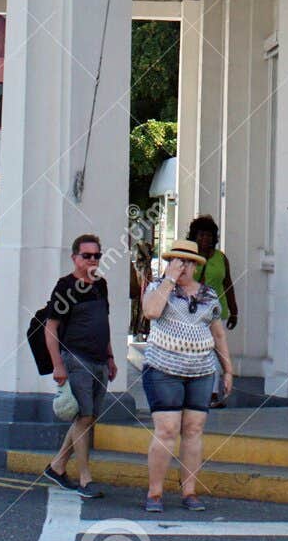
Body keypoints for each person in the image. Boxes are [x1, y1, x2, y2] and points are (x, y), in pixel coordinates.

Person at [140, 239, 234, 513]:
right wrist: (169, 280)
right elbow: (151, 312)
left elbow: (218, 333)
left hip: (201, 370)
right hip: (164, 369)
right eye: (177, 261)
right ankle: (155, 493)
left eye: (187, 262)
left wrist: (227, 369)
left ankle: (189, 491)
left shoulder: (208, 295)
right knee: (167, 429)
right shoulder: (159, 288)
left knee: (193, 430)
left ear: (195, 265)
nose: (182, 267)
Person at [42, 232, 117, 495]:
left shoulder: (101, 284)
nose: (92, 260)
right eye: (86, 256)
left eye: (97, 255)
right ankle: (85, 478)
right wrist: (58, 366)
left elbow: (103, 322)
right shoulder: (65, 286)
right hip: (76, 359)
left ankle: (57, 466)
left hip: (98, 360)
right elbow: (50, 329)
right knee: (84, 417)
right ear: (75, 258)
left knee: (88, 418)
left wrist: (110, 356)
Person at [187, 214, 238, 405]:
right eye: (200, 235)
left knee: (218, 352)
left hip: (218, 312)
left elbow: (228, 284)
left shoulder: (220, 258)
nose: (204, 240)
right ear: (194, 237)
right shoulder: (189, 258)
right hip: (194, 313)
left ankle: (215, 393)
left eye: (208, 236)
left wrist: (234, 310)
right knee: (204, 353)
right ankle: (208, 392)